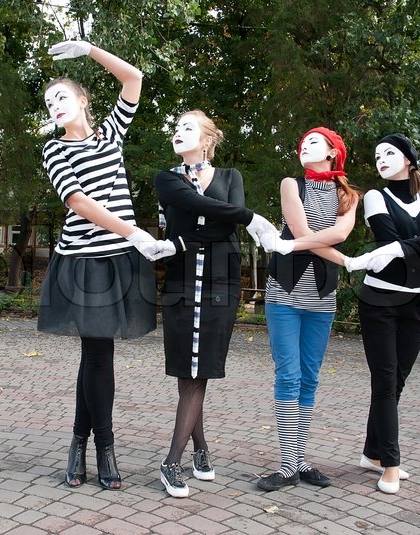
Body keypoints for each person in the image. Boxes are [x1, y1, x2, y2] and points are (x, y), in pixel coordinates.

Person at [38, 40, 172, 491]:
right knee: (98, 354)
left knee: (95, 354)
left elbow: (134, 78)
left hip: (118, 260)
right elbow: (77, 201)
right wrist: (134, 232)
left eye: (62, 97)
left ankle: (79, 443)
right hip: (82, 261)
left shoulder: (112, 133)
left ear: (83, 100)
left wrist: (88, 48)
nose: (55, 106)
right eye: (48, 102)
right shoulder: (54, 151)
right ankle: (104, 448)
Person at [153, 110, 278, 498]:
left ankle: (185, 454)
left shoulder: (230, 178)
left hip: (221, 284)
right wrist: (248, 216)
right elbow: (214, 217)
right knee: (187, 372)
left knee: (200, 369)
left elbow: (221, 225)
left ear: (208, 139)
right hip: (180, 281)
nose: (179, 133)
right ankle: (187, 455)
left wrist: (203, 225)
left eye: (187, 128)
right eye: (176, 128)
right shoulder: (167, 179)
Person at [344, 133, 420, 494]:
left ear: (410, 160)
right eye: (377, 155)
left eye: (390, 153)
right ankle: (390, 466)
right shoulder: (376, 197)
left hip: (417, 304)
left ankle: (372, 453)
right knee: (385, 382)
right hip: (380, 302)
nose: (381, 159)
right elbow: (392, 245)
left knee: (396, 383)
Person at [255, 127, 362, 491]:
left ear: (333, 153)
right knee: (289, 375)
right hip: (283, 295)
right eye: (302, 142)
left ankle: (299, 459)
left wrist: (336, 251)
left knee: (310, 378)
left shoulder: (349, 196)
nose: (304, 146)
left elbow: (338, 234)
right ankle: (288, 466)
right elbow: (302, 234)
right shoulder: (291, 185)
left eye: (314, 142)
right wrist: (347, 261)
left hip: (322, 299)